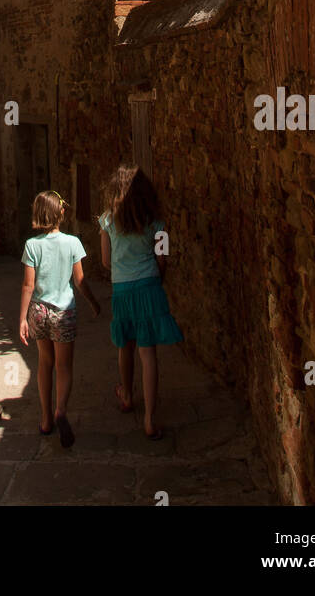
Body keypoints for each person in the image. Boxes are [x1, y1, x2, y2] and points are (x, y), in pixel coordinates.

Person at [98, 165, 183, 439]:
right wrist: (158, 280)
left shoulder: (107, 221)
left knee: (125, 345)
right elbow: (163, 259)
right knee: (148, 354)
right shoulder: (157, 224)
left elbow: (104, 261)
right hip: (149, 287)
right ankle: (149, 419)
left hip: (122, 289)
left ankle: (126, 395)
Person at [18, 189, 100, 448]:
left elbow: (28, 286)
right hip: (64, 312)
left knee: (45, 364)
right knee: (64, 367)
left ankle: (44, 419)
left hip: (40, 311)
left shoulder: (32, 245)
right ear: (61, 213)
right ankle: (61, 411)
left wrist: (22, 318)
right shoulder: (73, 243)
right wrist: (93, 302)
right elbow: (79, 280)